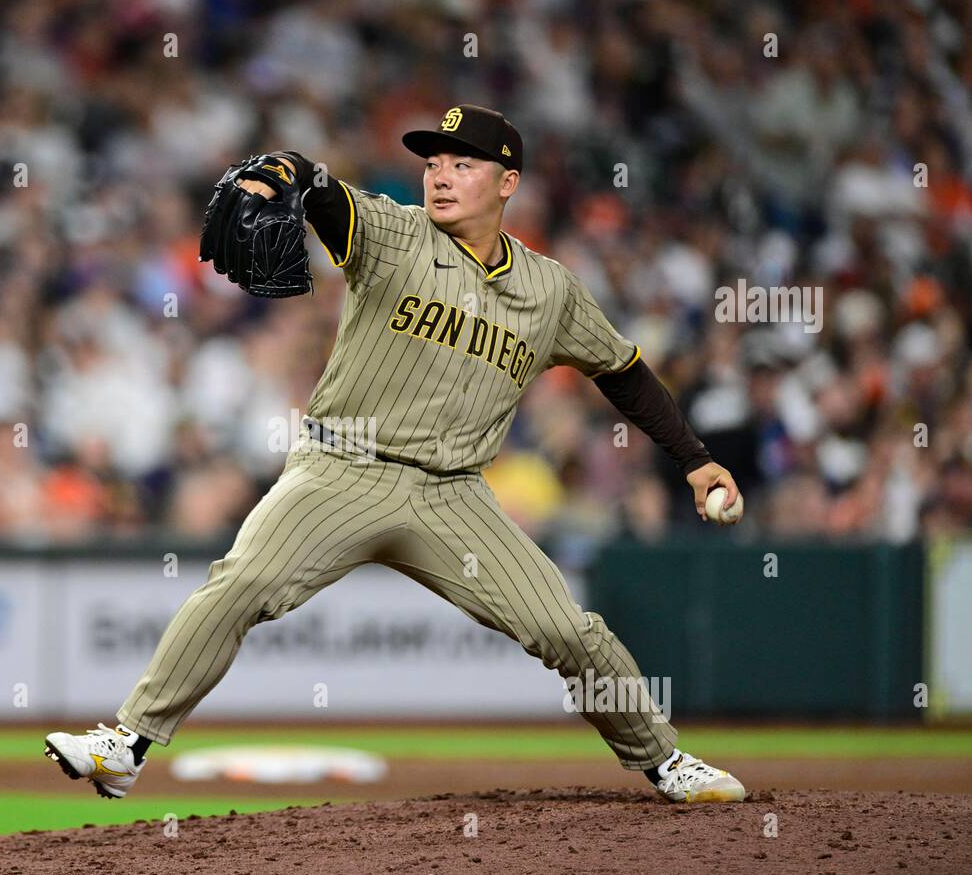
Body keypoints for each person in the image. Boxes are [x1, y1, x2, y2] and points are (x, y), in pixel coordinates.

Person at [45, 105, 747, 803]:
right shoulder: (393, 231)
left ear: (508, 183)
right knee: (242, 582)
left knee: (567, 629)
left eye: (462, 163)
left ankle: (665, 762)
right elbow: (321, 193)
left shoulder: (551, 290)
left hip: (454, 496)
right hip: (341, 470)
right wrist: (287, 170)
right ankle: (126, 745)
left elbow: (621, 370)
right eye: (434, 161)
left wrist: (693, 458)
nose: (441, 175)